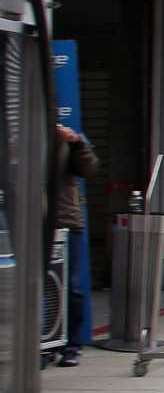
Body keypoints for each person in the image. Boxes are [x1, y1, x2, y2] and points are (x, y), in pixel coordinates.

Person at [51, 123, 98, 367]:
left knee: (72, 286)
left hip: (65, 219)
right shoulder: (20, 136)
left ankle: (73, 344)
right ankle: (44, 343)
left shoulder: (68, 138)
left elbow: (89, 168)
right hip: (29, 221)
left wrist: (76, 142)